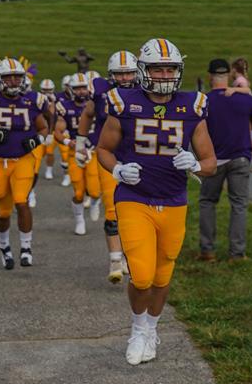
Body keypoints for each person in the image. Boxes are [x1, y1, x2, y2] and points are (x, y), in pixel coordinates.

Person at [95, 38, 215, 365]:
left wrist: (196, 165)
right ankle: (137, 329)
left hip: (174, 200)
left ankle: (152, 328)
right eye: (158, 67)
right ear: (143, 70)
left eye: (171, 68)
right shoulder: (123, 101)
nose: (164, 74)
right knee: (143, 276)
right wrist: (118, 169)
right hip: (135, 198)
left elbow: (210, 162)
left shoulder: (192, 106)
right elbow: (103, 149)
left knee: (163, 277)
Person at [0, 58, 50, 269]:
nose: (13, 81)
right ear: (0, 79)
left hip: (23, 159)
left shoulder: (33, 100)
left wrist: (37, 140)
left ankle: (26, 247)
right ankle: (4, 246)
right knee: (3, 211)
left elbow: (44, 127)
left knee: (22, 201)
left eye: (17, 77)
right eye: (9, 77)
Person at [198, 57, 252, 262]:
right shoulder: (244, 98)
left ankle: (207, 251)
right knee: (239, 205)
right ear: (228, 75)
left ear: (210, 76)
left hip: (214, 160)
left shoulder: (204, 101)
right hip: (240, 158)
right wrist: (240, 129)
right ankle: (237, 253)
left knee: (208, 202)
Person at [92, 50, 140, 283]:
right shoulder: (101, 93)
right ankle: (114, 259)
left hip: (138, 159)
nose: (124, 78)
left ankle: (131, 256)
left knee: (136, 211)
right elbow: (88, 114)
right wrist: (82, 141)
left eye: (129, 73)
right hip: (110, 158)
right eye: (119, 74)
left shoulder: (146, 94)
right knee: (112, 210)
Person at [54, 72, 95, 236]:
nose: (81, 91)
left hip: (94, 151)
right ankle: (79, 220)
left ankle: (94, 201)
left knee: (94, 190)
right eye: (77, 88)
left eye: (83, 87)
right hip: (75, 151)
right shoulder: (64, 106)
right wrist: (67, 142)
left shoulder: (97, 104)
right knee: (78, 191)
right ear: (70, 90)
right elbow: (57, 131)